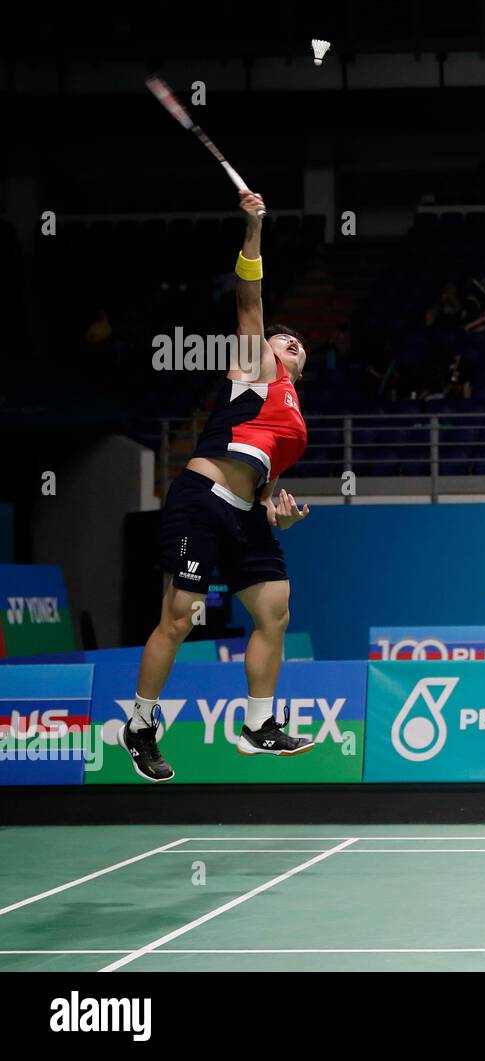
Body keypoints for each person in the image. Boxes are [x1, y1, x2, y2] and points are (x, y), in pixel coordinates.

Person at [121, 190, 315, 782]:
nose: (292, 344)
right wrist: (253, 230)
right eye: (285, 339)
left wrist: (275, 516)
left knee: (274, 609)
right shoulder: (257, 371)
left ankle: (258, 726)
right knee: (179, 619)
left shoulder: (295, 415)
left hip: (243, 513)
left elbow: (263, 486)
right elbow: (250, 300)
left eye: (298, 344)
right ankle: (141, 723)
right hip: (200, 503)